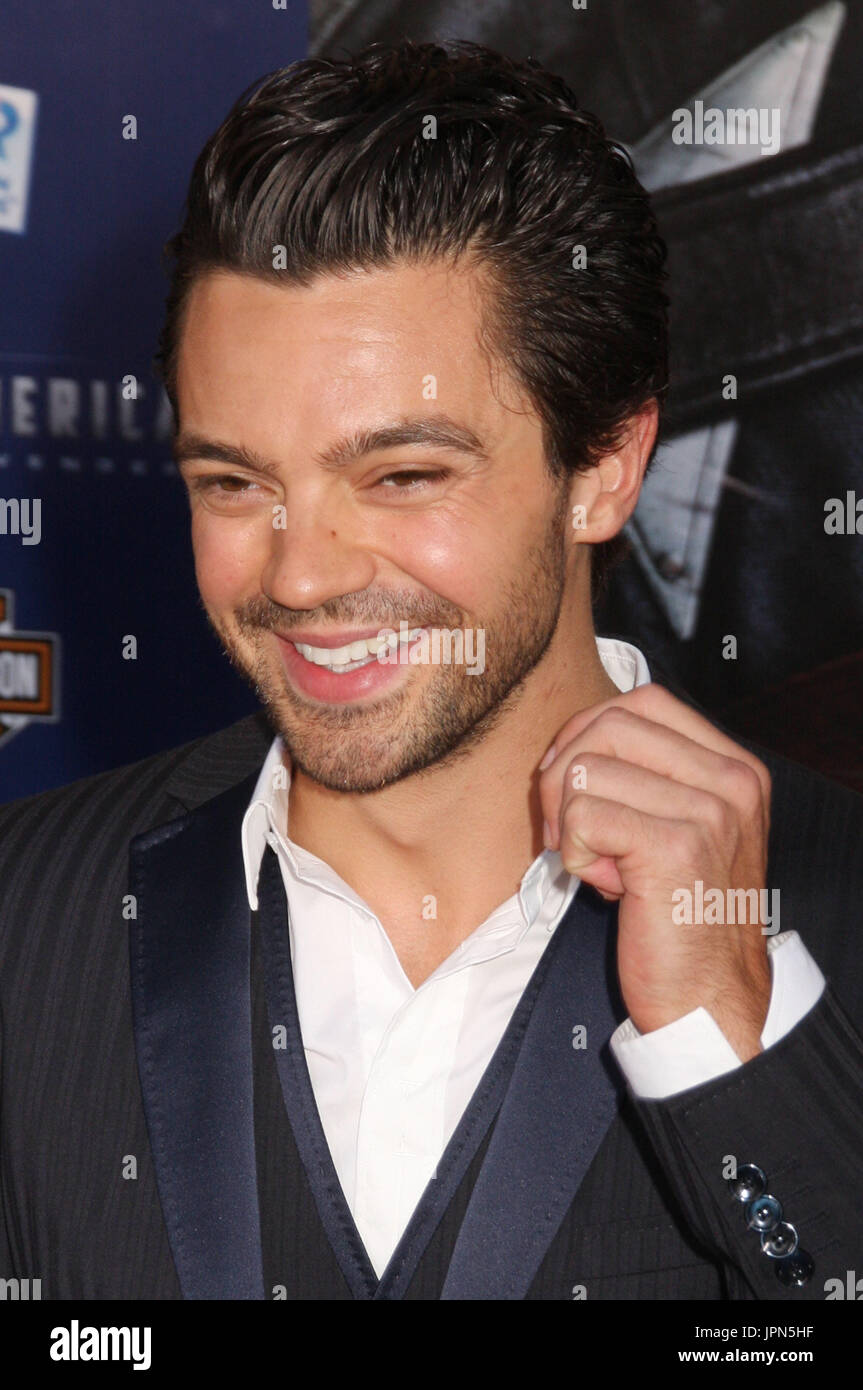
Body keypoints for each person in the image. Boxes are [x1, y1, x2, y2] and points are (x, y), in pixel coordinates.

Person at [1, 38, 861, 1301]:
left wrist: (733, 1041)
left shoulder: (833, 902)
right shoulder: (28, 917)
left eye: (401, 475)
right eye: (233, 482)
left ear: (605, 467)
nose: (298, 575)